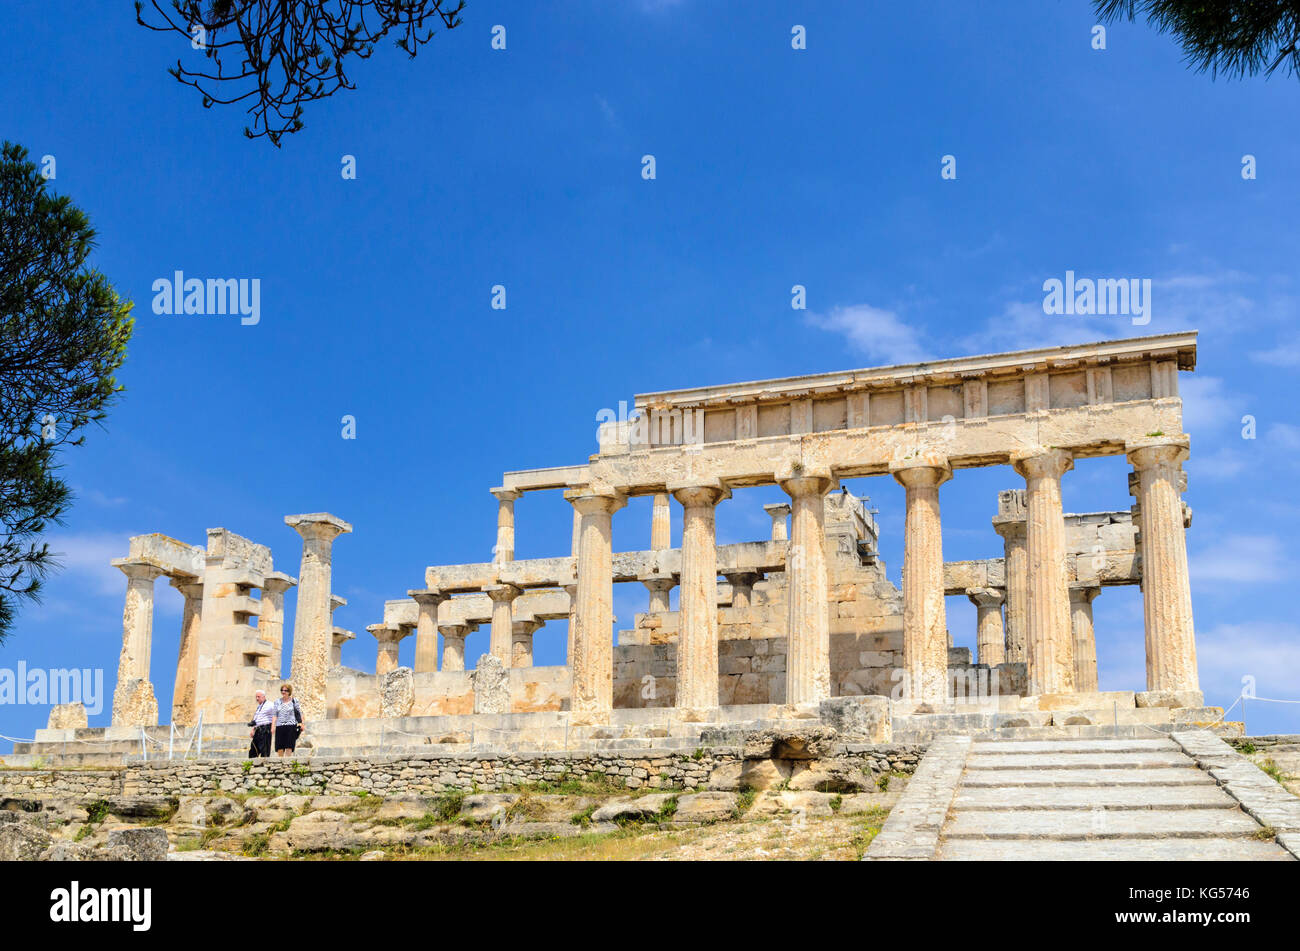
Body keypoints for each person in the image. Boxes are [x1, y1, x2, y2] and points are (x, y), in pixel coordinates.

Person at [273, 683, 303, 757]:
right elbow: (274, 715)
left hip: (291, 725)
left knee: (289, 745)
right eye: (282, 690)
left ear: (289, 691)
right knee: (279, 746)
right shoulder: (277, 702)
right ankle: (280, 761)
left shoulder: (294, 701)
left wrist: (301, 723)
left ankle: (287, 762)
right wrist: (273, 726)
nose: (283, 692)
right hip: (280, 726)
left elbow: (299, 713)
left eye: (285, 690)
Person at [247, 689, 274, 757]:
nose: (257, 698)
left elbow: (276, 714)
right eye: (256, 697)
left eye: (258, 697)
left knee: (264, 750)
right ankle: (252, 765)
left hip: (266, 729)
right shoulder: (259, 707)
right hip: (258, 729)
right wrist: (253, 729)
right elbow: (257, 719)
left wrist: (273, 726)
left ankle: (265, 765)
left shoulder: (270, 704)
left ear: (263, 696)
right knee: (253, 750)